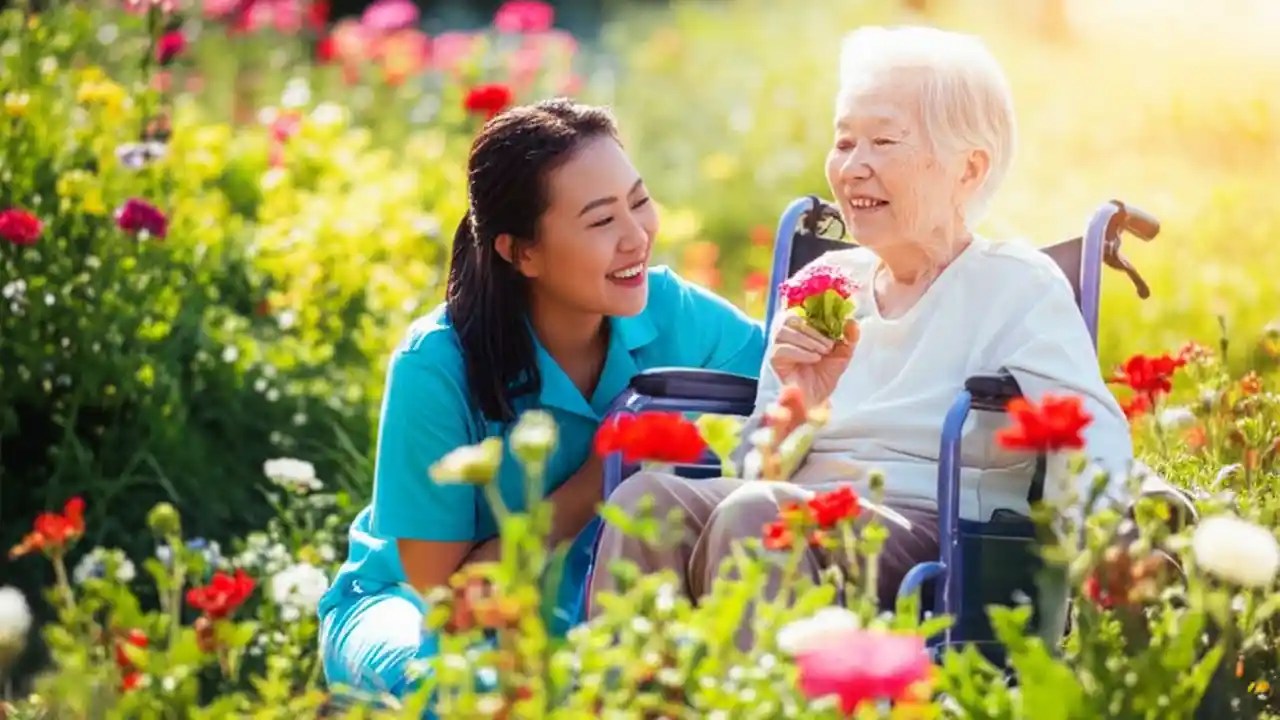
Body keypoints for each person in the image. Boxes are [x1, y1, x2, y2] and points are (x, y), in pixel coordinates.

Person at [588, 25, 1192, 638]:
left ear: (969, 169)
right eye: (845, 142)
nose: (853, 167)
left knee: (757, 515)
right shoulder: (825, 281)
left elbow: (1089, 437)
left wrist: (1099, 568)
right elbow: (754, 470)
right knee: (648, 500)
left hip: (936, 530)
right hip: (787, 509)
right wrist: (800, 406)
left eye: (883, 141)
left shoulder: (1017, 286)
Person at [318, 99, 767, 699]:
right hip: (411, 612)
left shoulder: (678, 316)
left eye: (638, 202)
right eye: (601, 221)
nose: (637, 238)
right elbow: (447, 602)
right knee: (469, 692)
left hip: (594, 611)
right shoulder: (437, 364)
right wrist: (599, 476)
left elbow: (786, 396)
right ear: (521, 251)